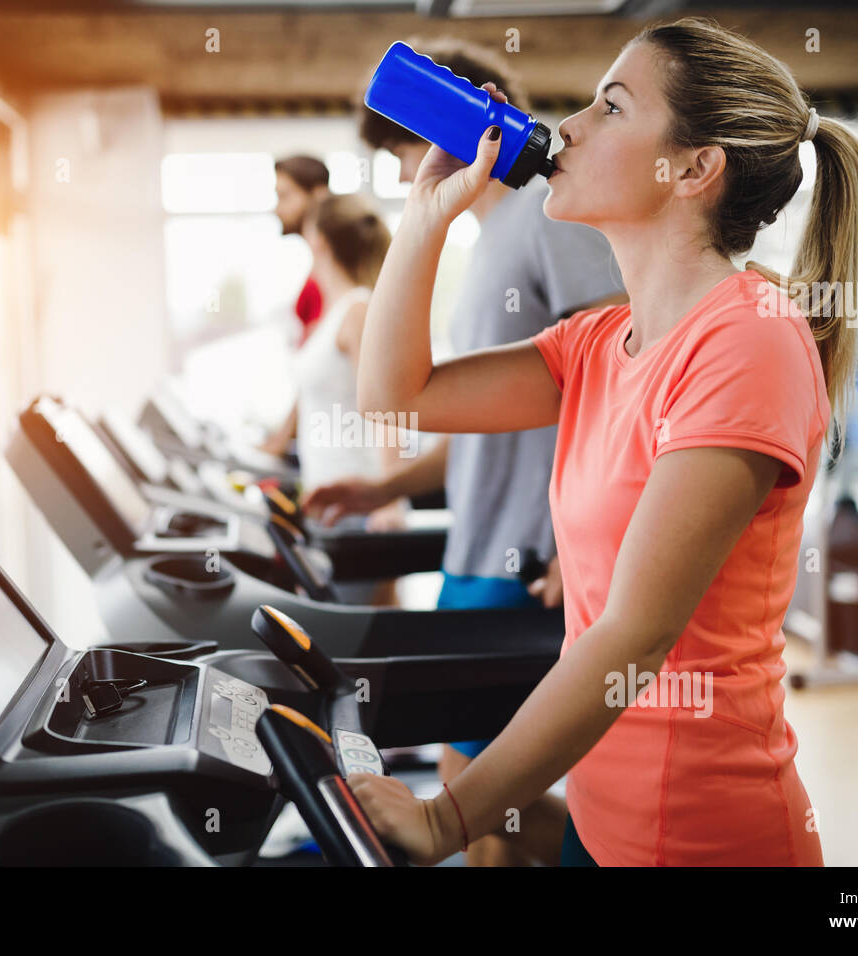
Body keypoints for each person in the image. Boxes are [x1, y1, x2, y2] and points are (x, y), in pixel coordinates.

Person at [346, 16, 858, 866]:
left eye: (611, 107)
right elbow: (395, 397)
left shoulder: (749, 340)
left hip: (705, 836)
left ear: (696, 168)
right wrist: (425, 215)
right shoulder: (598, 341)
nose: (570, 127)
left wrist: (449, 818)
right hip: (602, 821)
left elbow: (634, 633)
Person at [303, 37, 626, 865]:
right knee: (476, 795)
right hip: (479, 542)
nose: (416, 159)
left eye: (415, 136)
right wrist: (387, 490)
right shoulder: (492, 240)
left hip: (526, 557)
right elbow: (507, 413)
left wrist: (589, 547)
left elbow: (625, 379)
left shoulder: (548, 217)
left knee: (477, 805)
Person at [262, 193, 405, 537]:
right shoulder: (335, 310)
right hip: (326, 494)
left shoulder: (357, 310)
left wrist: (390, 498)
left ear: (318, 239)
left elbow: (388, 410)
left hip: (356, 500)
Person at [273, 155, 332, 347]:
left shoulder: (336, 267)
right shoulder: (318, 267)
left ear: (318, 194)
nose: (277, 209)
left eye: (284, 197)